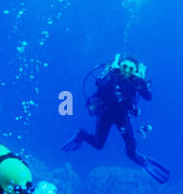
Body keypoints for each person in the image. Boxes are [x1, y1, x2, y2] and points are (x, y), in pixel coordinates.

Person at [61, 53, 169, 182]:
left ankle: (142, 162)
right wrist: (111, 70)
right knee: (98, 144)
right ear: (120, 66)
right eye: (124, 66)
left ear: (135, 71)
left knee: (131, 151)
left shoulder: (136, 81)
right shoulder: (113, 75)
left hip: (122, 117)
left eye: (131, 69)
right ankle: (81, 135)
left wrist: (142, 80)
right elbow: (100, 84)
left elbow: (148, 97)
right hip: (105, 114)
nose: (127, 70)